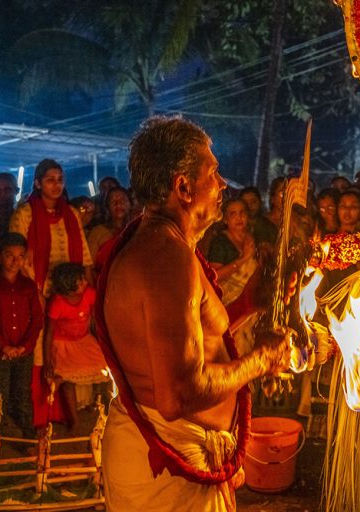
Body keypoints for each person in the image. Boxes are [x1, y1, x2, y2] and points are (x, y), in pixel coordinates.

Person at [97, 116, 291, 511]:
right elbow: (179, 393)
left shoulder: (161, 244)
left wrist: (248, 305)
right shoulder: (166, 257)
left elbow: (186, 341)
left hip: (167, 464)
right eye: (214, 173)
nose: (223, 186)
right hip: (167, 472)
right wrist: (263, 360)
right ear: (183, 187)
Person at [9, 158, 93, 430]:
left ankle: (64, 414)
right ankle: (38, 416)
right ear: (37, 183)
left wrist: (82, 295)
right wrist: (35, 292)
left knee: (64, 351)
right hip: (34, 292)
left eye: (60, 180)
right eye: (49, 180)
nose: (56, 185)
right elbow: (15, 256)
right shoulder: (25, 214)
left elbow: (85, 257)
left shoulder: (71, 214)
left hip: (68, 297)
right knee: (38, 352)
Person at [0, 233, 43, 438]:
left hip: (23, 352)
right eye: (9, 255)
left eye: (20, 255)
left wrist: (24, 347)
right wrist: (4, 346)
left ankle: (28, 439)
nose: (16, 261)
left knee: (23, 394)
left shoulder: (28, 286)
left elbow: (37, 320)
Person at [43, 262, 108, 431]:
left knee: (104, 366)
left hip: (84, 340)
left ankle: (102, 409)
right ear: (69, 287)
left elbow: (97, 316)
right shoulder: (57, 303)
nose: (85, 282)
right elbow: (49, 333)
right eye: (80, 281)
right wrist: (48, 360)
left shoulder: (89, 294)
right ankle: (74, 420)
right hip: (63, 344)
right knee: (68, 380)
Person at [208, 198, 259, 308]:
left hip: (252, 304)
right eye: (233, 214)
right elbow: (215, 277)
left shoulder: (253, 238)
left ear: (248, 216)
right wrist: (243, 259)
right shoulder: (220, 242)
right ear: (226, 219)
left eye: (242, 213)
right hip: (228, 306)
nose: (239, 217)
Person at [87, 187, 131, 261]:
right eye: (113, 201)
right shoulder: (97, 232)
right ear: (107, 207)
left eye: (122, 200)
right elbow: (89, 265)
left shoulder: (137, 229)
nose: (118, 204)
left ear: (130, 204)